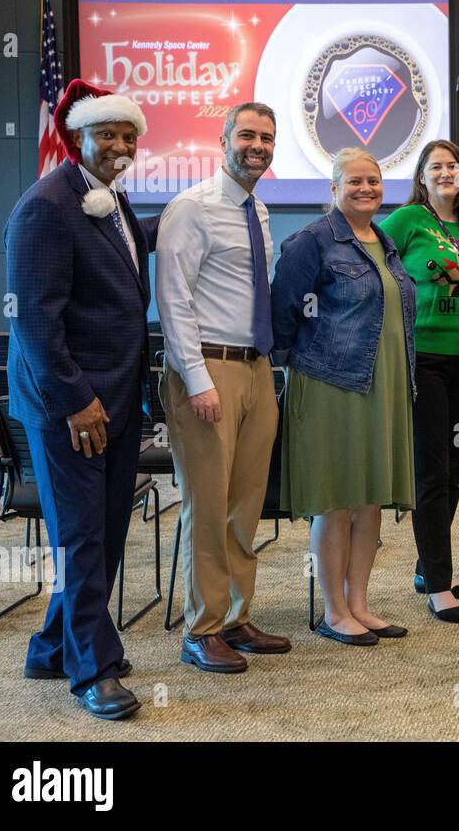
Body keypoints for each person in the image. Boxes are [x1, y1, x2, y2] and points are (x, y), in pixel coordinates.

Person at [6, 80, 151, 720]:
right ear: (78, 137)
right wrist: (75, 401)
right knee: (81, 538)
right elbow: (35, 321)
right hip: (70, 406)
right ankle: (92, 667)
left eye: (129, 136)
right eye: (107, 134)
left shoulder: (113, 202)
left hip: (116, 400)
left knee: (105, 531)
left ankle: (49, 647)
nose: (119, 145)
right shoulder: (46, 205)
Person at [156, 101, 291, 672]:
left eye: (266, 137)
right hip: (207, 372)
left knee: (244, 504)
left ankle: (235, 617)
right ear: (222, 138)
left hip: (256, 368)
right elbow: (173, 299)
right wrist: (197, 379)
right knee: (207, 506)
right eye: (246, 135)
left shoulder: (257, 209)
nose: (256, 146)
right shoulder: (192, 207)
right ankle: (201, 628)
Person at [272, 148, 418, 645]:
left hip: (385, 384)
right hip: (330, 385)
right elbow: (283, 313)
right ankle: (334, 611)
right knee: (335, 500)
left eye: (373, 181)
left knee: (370, 497)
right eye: (354, 181)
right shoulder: (312, 241)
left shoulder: (384, 241)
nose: (365, 189)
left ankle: (360, 603)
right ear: (333, 189)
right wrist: (305, 367)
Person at [379, 140, 459, 624]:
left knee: (453, 470)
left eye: (454, 166)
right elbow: (372, 265)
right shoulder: (406, 222)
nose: (446, 173)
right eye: (436, 167)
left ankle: (430, 567)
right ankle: (439, 586)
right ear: (422, 177)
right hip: (424, 360)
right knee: (431, 471)